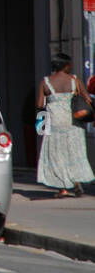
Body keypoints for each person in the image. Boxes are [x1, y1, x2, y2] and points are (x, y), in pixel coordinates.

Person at [37, 53, 95, 198]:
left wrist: (41, 126)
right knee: (75, 153)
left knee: (58, 155)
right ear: (66, 65)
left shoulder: (45, 81)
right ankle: (76, 182)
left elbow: (39, 105)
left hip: (55, 123)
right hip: (73, 123)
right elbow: (88, 99)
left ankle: (63, 188)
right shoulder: (75, 80)